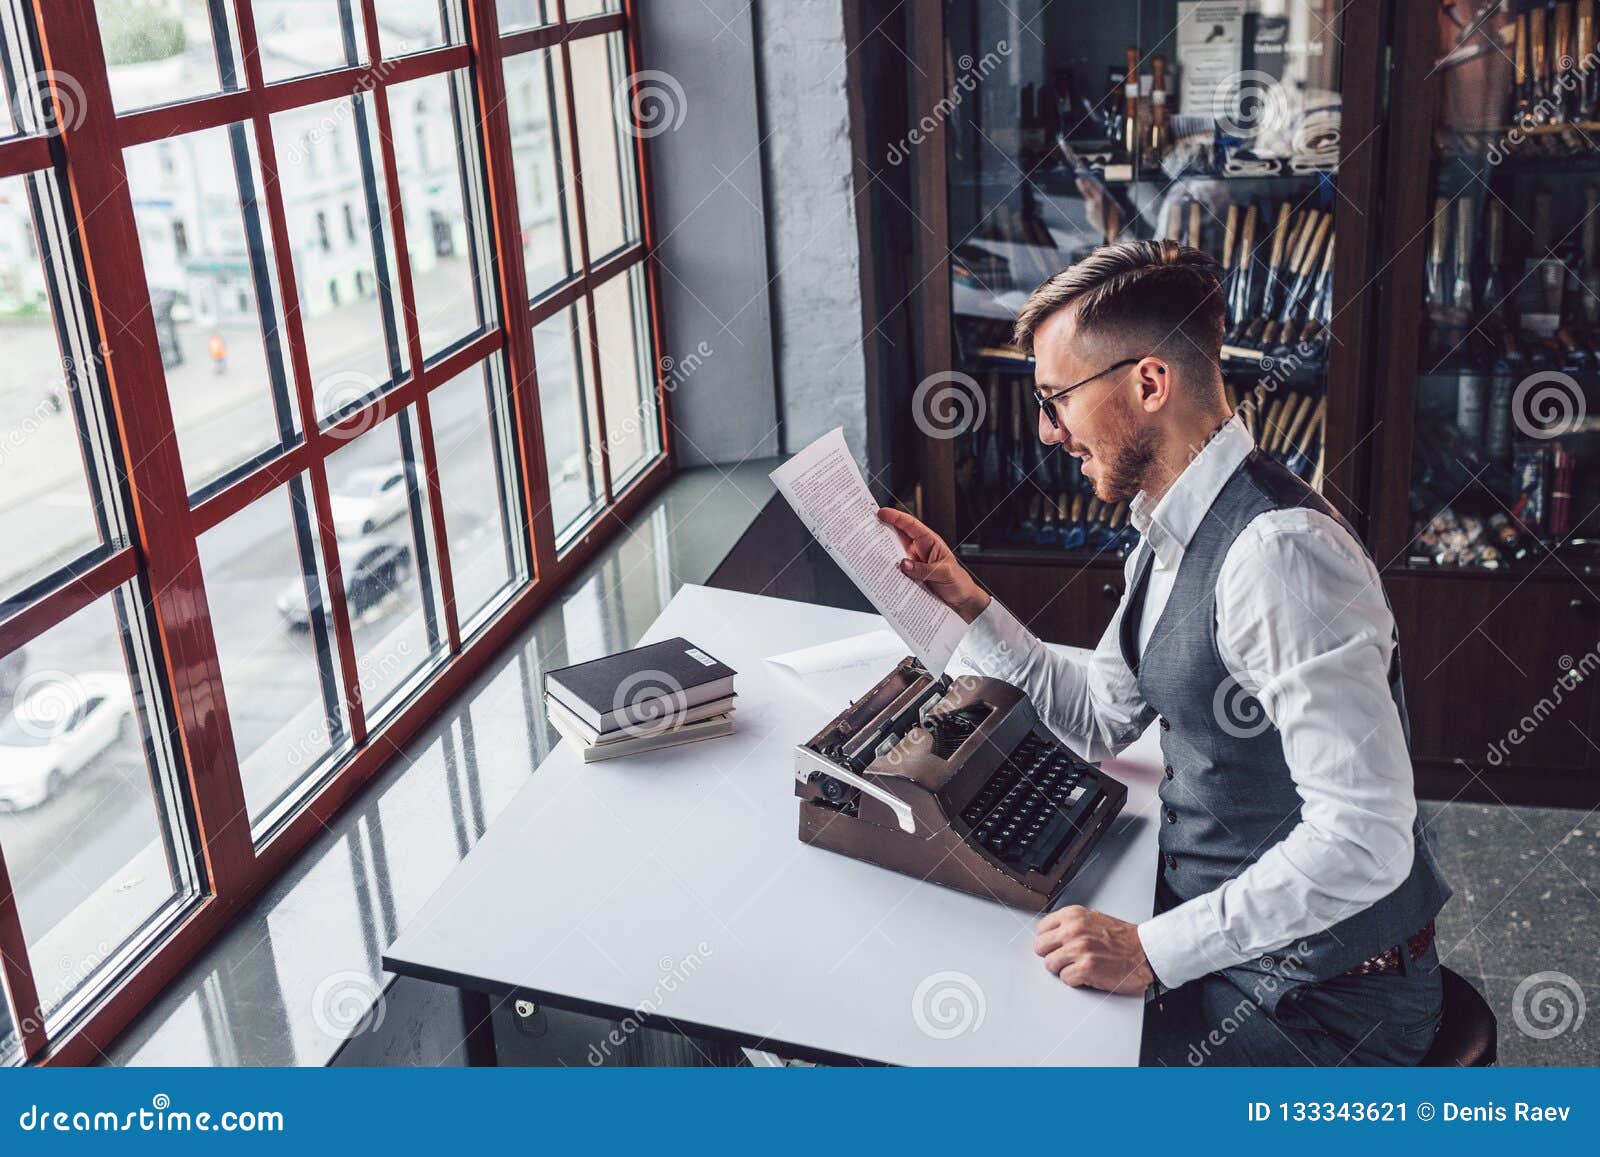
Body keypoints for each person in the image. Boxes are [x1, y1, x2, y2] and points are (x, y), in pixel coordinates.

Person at [879, 240, 1450, 1066]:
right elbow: (1096, 717)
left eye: (1057, 398)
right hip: (1245, 954)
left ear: (1149, 383)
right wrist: (967, 600)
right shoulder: (1168, 529)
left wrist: (1151, 951)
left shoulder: (1279, 556)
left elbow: (1365, 836)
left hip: (1329, 1004)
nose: (1048, 432)